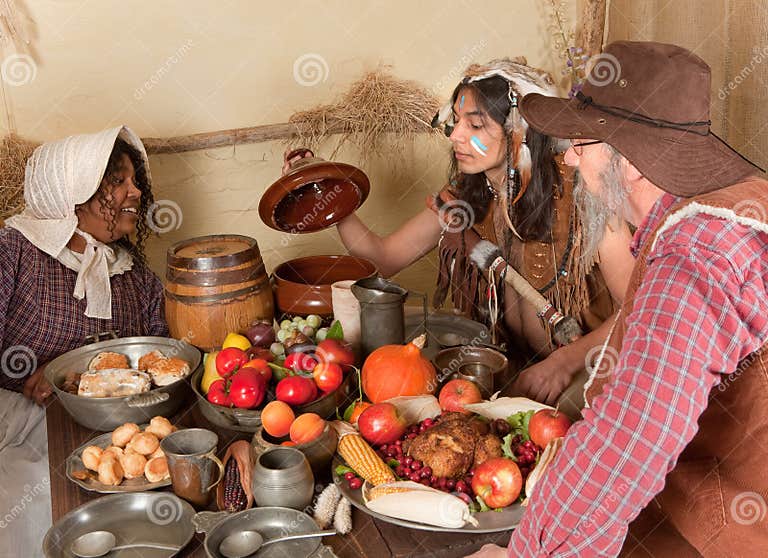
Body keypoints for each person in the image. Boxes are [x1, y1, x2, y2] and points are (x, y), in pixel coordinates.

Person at [467, 41, 768, 558]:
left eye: (582, 143)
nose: (568, 155)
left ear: (629, 161)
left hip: (736, 525)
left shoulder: (696, 251)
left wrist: (527, 554)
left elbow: (632, 436)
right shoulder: (736, 204)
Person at [285, 58, 634, 407]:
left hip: (590, 366)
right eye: (456, 121)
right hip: (507, 365)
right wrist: (325, 193)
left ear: (520, 132)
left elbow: (637, 306)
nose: (455, 135)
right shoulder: (464, 199)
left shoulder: (583, 195)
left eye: (476, 125)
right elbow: (382, 259)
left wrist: (564, 362)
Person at [0, 126, 168, 557]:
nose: (135, 192)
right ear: (73, 192)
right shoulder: (15, 251)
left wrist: (91, 379)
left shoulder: (136, 277)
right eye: (118, 181)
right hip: (16, 424)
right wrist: (28, 379)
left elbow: (161, 358)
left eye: (135, 181)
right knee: (32, 504)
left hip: (108, 425)